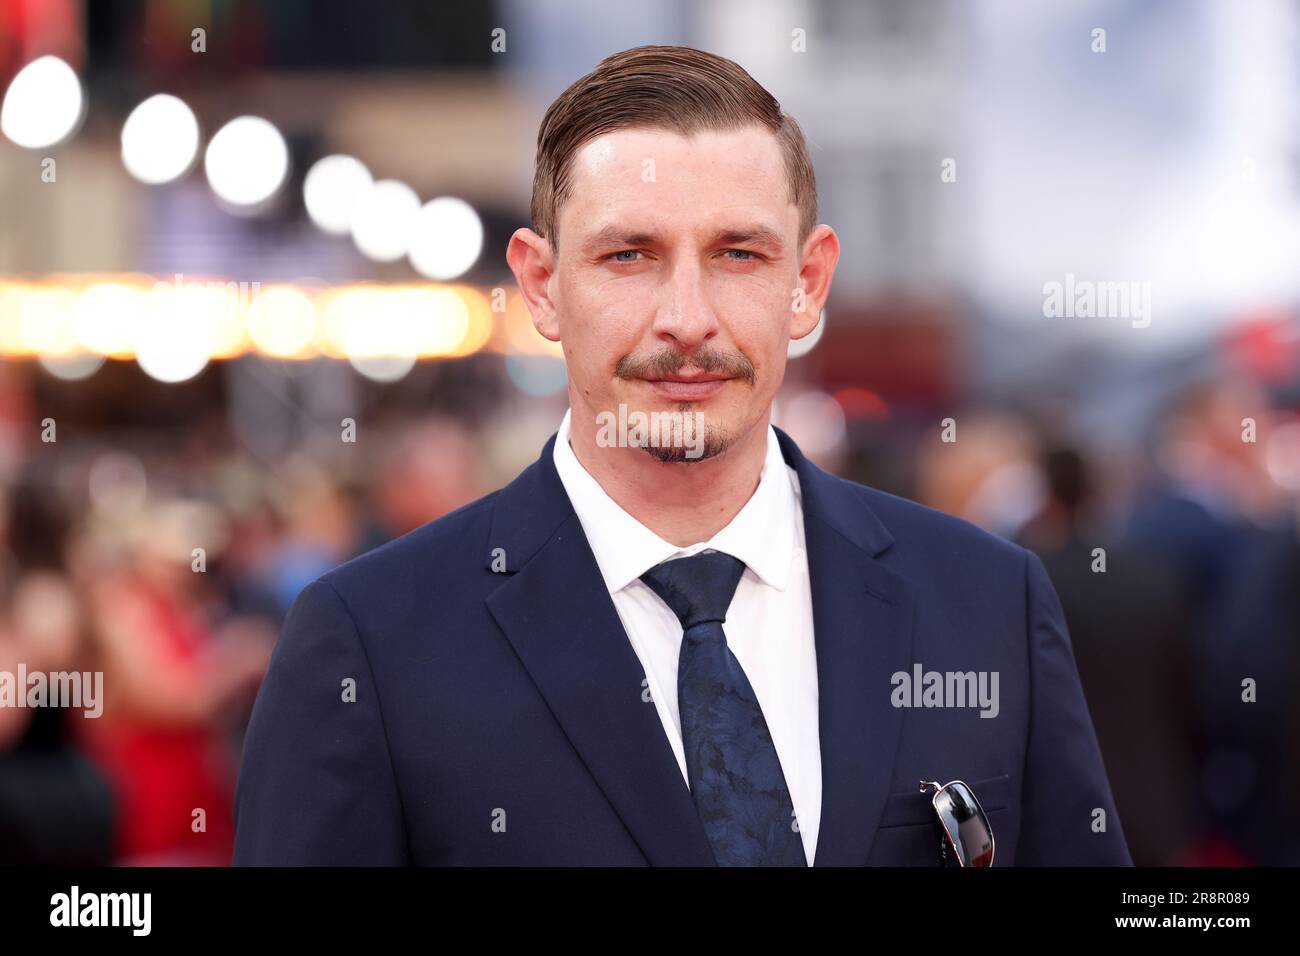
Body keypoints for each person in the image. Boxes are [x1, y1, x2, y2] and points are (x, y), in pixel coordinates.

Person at [234, 45, 1130, 866]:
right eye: (630, 256)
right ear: (543, 285)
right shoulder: (372, 644)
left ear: (807, 284)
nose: (688, 318)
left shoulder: (985, 602)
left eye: (738, 254)